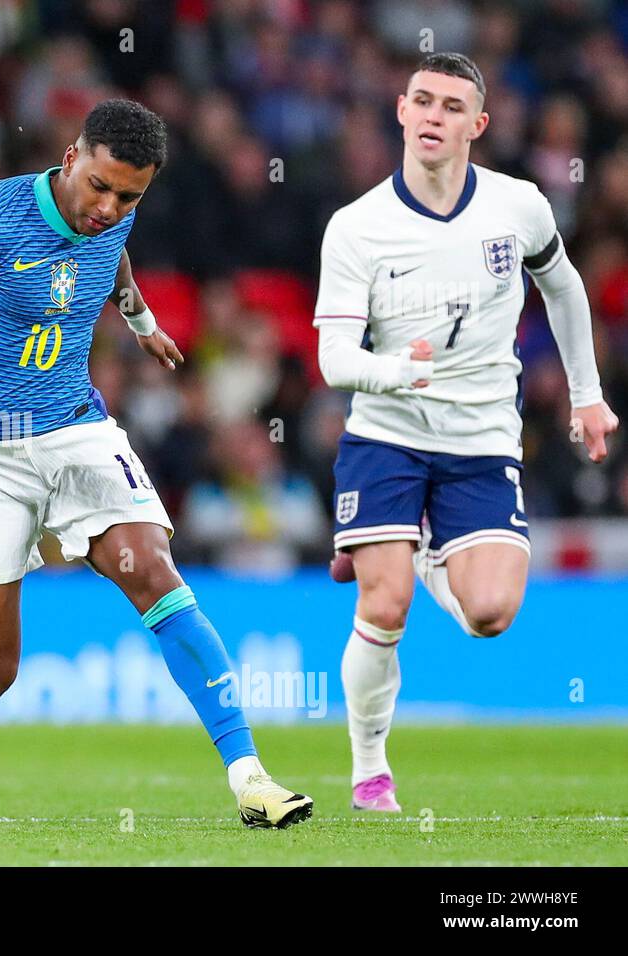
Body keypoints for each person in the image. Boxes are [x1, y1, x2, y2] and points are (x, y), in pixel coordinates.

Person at [0, 100, 314, 830]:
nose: (108, 209)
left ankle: (250, 777)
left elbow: (115, 256)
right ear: (71, 158)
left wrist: (142, 321)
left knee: (152, 569)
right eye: (99, 186)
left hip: (76, 429)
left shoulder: (118, 214)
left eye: (128, 197)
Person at [313, 53, 618, 812]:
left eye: (452, 107)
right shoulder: (357, 227)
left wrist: (587, 396)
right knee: (384, 607)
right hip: (385, 435)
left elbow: (564, 287)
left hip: (482, 439)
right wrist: (396, 373)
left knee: (490, 615)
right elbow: (333, 358)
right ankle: (369, 772)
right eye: (422, 101)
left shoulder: (518, 207)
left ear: (477, 125)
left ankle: (414, 545)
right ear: (401, 111)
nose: (433, 116)